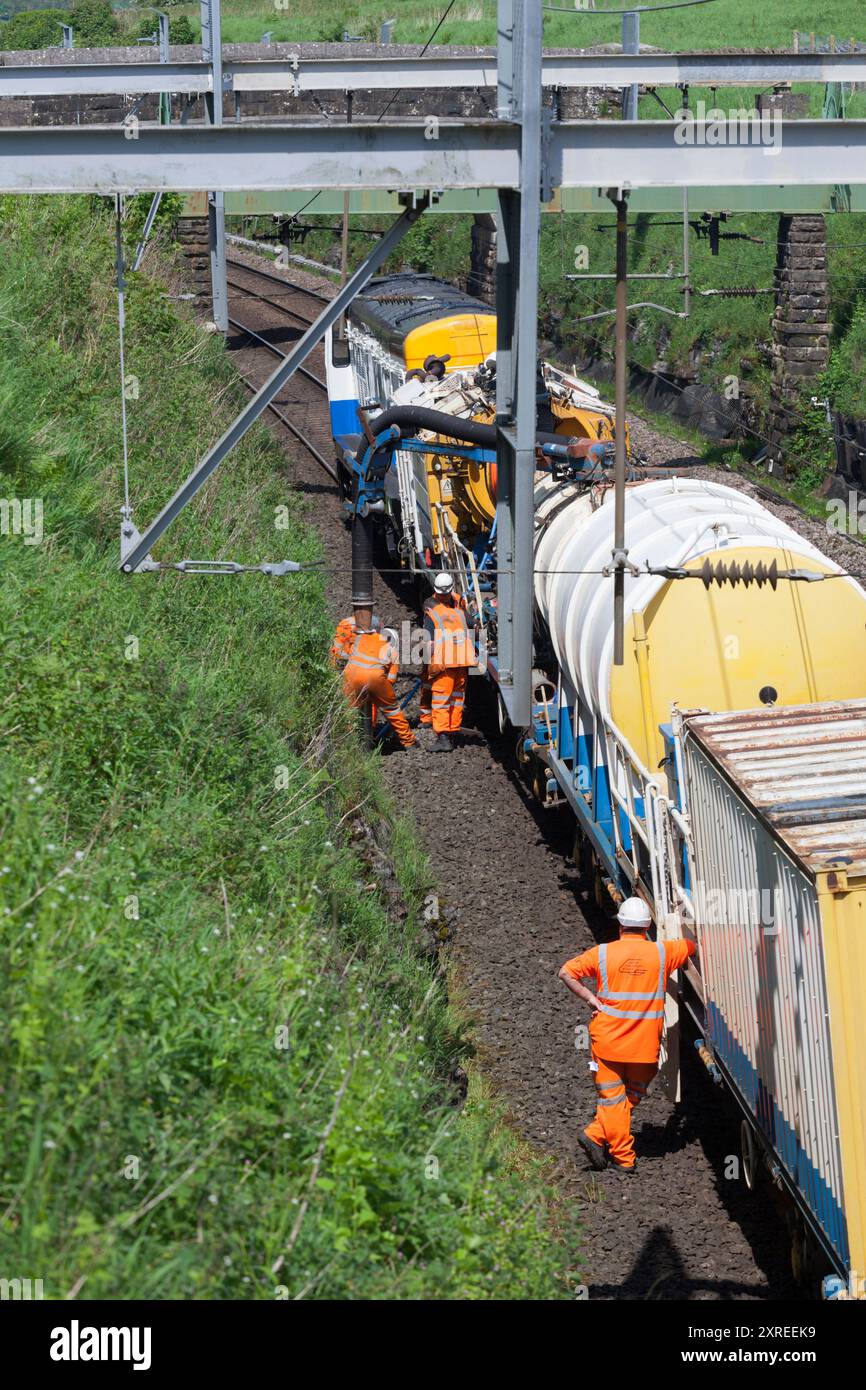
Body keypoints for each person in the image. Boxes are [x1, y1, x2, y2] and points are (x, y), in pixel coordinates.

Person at [559, 896, 696, 1174]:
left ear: (620, 925)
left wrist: (590, 999)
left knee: (612, 1100)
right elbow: (691, 947)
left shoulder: (602, 953)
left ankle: (613, 1149)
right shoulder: (662, 953)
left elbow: (566, 972)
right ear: (647, 927)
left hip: (607, 1042)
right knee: (630, 1095)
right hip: (644, 1048)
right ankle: (606, 1143)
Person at [342, 620, 416, 751]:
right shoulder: (391, 650)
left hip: (352, 675)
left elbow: (345, 652)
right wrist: (378, 693)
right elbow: (391, 679)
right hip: (376, 679)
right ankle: (409, 742)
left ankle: (348, 743)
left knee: (350, 711)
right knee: (392, 710)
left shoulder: (359, 638)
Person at [422, 572, 474, 751]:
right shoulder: (460, 612)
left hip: (445, 663)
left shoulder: (433, 614)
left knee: (441, 700)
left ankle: (443, 737)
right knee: (457, 699)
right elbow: (473, 624)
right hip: (462, 661)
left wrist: (427, 664)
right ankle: (451, 733)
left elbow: (428, 642)